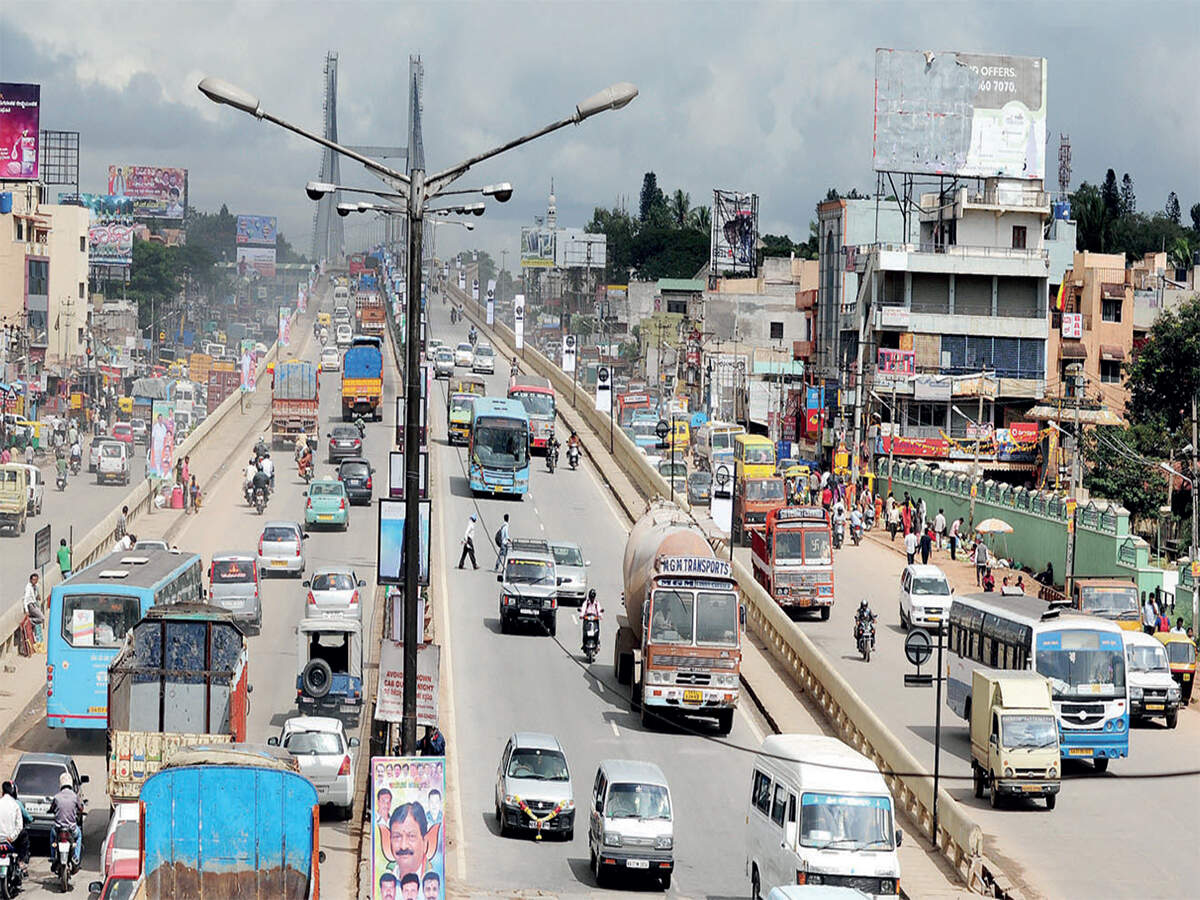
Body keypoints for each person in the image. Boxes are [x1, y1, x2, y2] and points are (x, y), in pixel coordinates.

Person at [388, 802, 437, 882]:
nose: (403, 846)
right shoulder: (387, 878)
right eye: (397, 837)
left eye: (411, 836)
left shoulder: (434, 881)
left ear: (425, 842)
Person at [49, 772, 83, 871]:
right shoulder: (75, 796)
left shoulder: (56, 797)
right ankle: (76, 856)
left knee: (52, 835)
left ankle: (53, 856)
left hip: (58, 829)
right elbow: (81, 808)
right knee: (79, 835)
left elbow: (52, 808)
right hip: (71, 829)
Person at [0, 780, 30, 875]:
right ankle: (21, 861)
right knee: (24, 835)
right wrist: (12, 837)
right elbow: (19, 826)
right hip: (10, 840)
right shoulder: (16, 805)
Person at [22, 573, 43, 648]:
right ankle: (31, 621)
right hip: (31, 605)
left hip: (35, 604)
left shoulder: (35, 587)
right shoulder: (28, 587)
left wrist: (38, 596)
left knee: (38, 627)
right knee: (41, 618)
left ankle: (38, 641)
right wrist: (27, 610)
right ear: (30, 580)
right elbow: (25, 600)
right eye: (33, 579)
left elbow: (35, 595)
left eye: (36, 579)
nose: (35, 581)